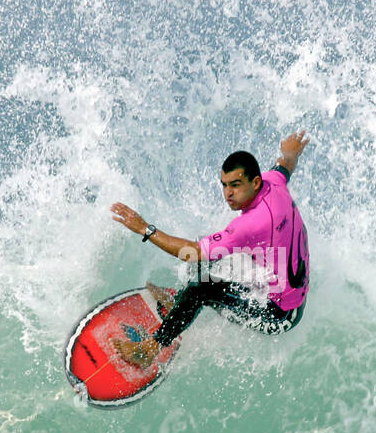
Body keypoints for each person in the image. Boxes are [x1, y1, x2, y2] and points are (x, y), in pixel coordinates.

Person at [108, 130, 312, 368]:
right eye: (224, 185)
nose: (228, 194)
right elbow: (286, 164)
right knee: (210, 257)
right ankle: (179, 308)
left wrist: (145, 228)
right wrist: (290, 151)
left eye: (235, 185)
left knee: (201, 288)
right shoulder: (273, 181)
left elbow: (192, 252)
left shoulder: (251, 223)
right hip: (278, 279)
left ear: (255, 182)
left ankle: (149, 350)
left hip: (279, 313)